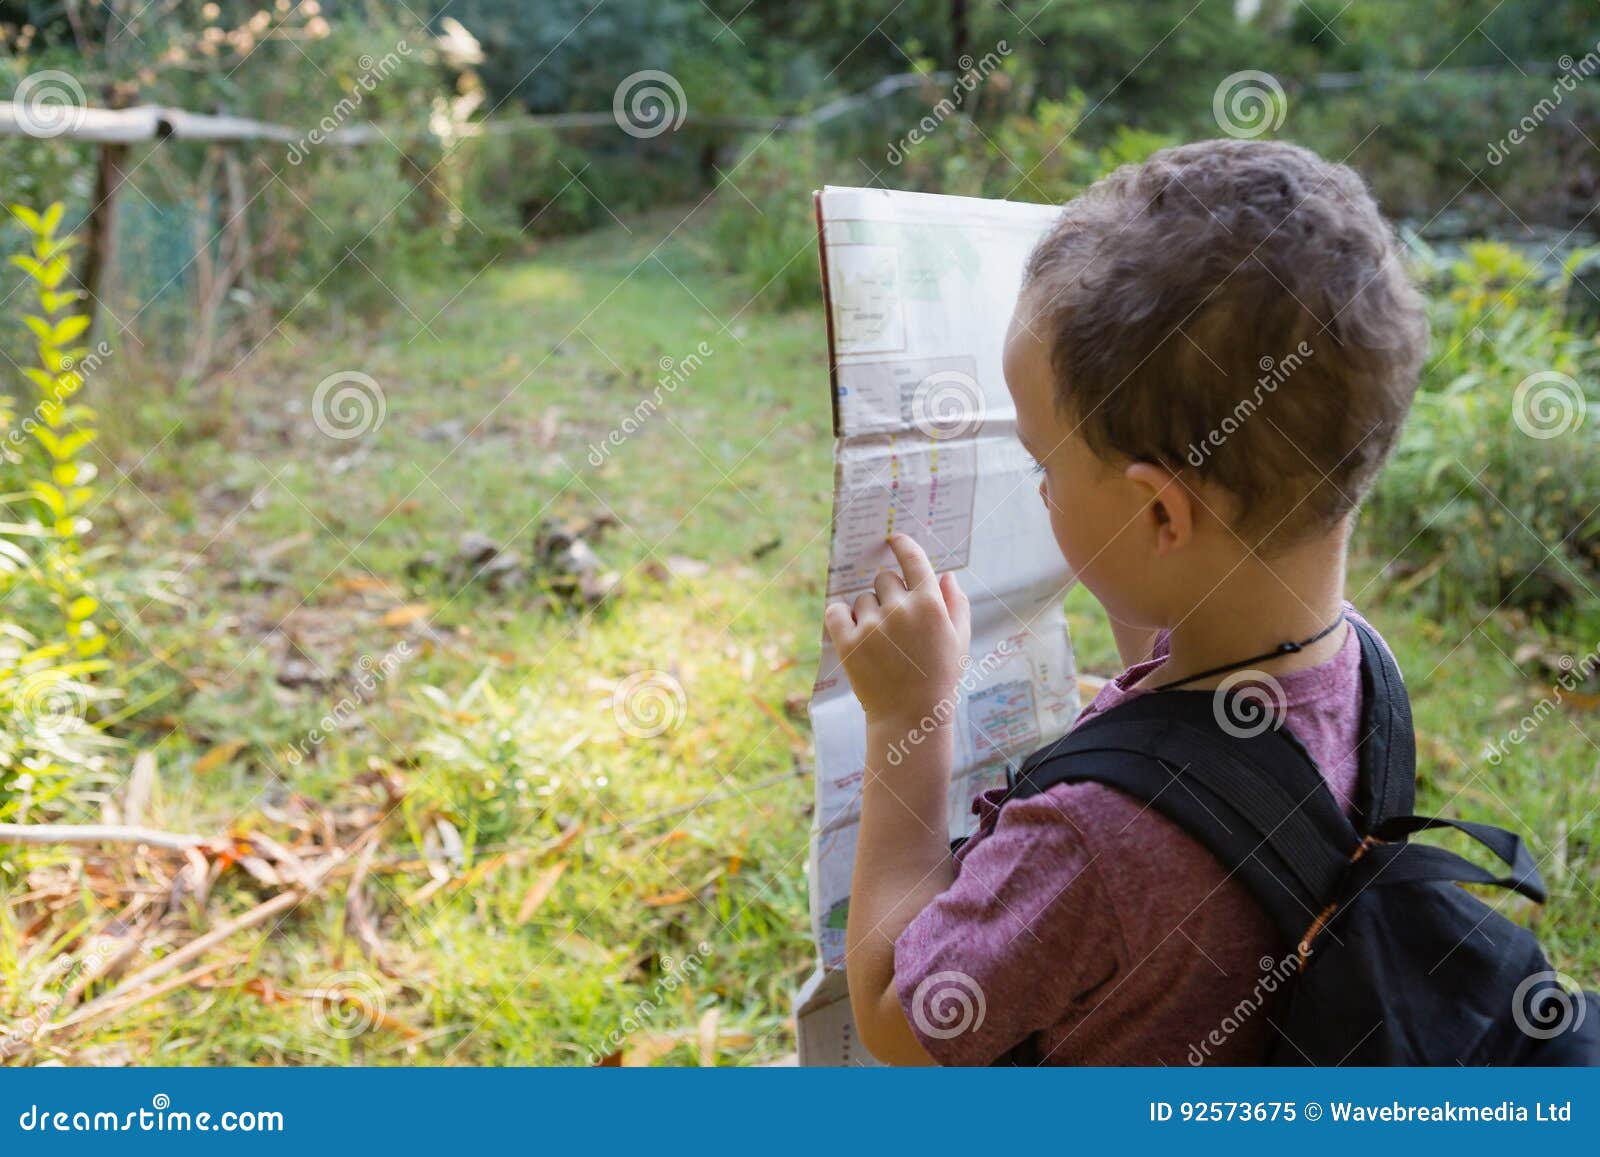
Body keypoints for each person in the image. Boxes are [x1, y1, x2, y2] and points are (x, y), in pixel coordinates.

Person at [823, 138, 1430, 1065]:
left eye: (1044, 465)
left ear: (1158, 511)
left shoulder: (1087, 843)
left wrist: (910, 717)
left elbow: (894, 1017)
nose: (1037, 492)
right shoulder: (1366, 677)